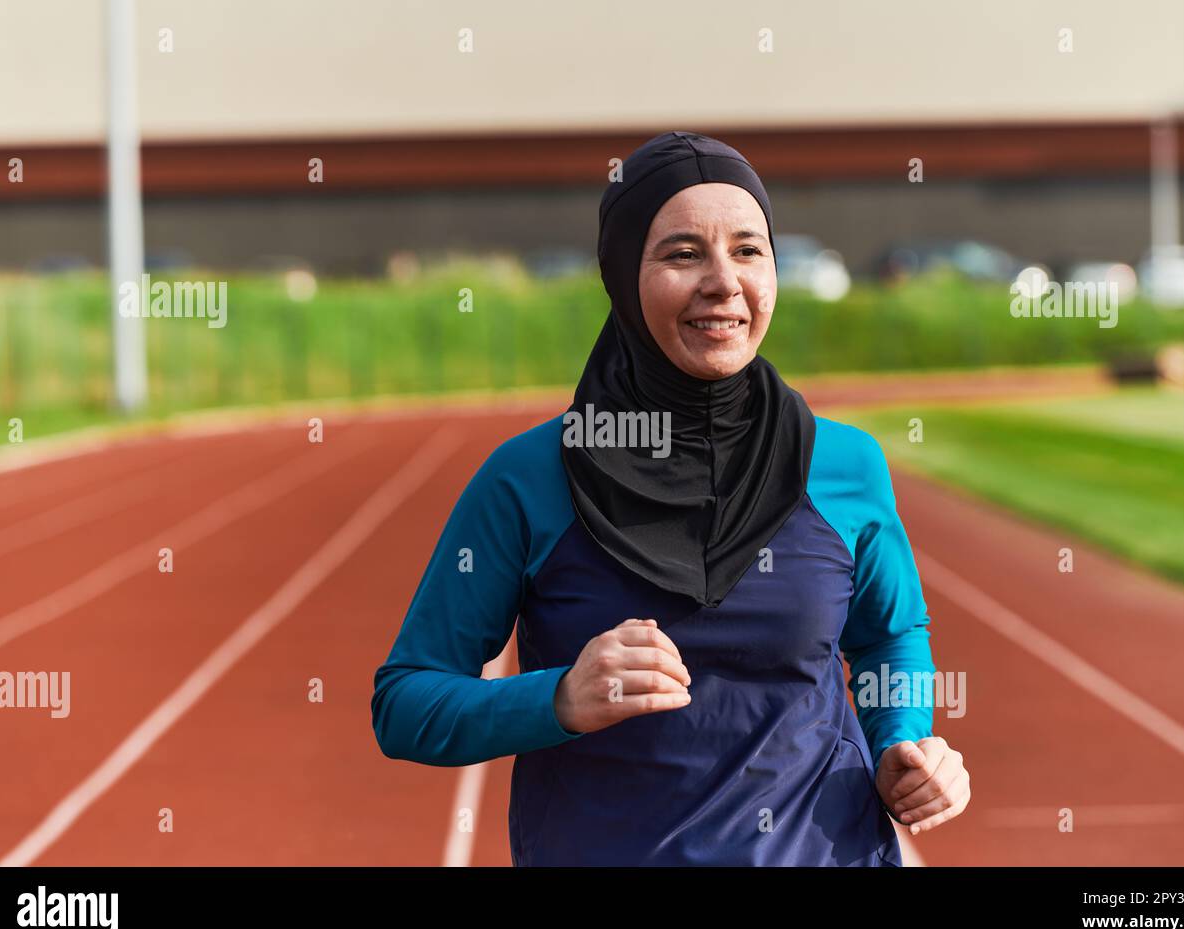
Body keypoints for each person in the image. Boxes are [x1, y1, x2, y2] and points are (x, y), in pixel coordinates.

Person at [372, 131, 971, 866]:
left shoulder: (844, 464)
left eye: (749, 251)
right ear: (623, 276)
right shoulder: (528, 477)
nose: (723, 281)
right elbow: (406, 704)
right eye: (684, 254)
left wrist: (904, 743)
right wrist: (558, 700)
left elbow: (888, 635)